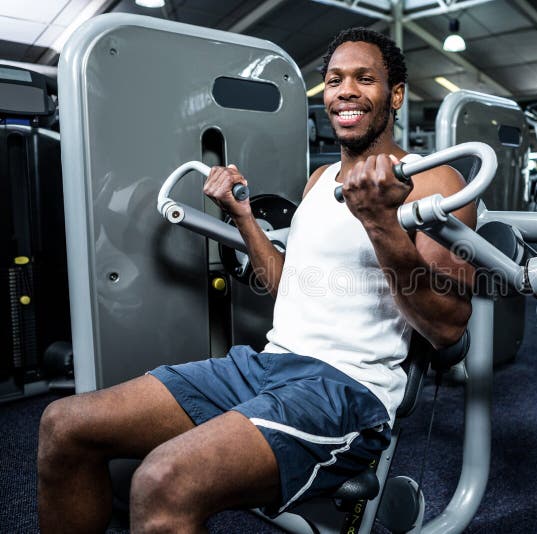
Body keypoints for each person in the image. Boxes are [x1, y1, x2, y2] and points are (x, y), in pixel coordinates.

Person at [37, 27, 476, 532]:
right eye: (334, 80)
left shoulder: (436, 180)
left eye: (365, 78)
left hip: (348, 391)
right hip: (267, 366)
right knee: (65, 426)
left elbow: (447, 327)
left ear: (395, 94)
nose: (346, 91)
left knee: (162, 481)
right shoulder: (319, 182)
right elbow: (287, 287)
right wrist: (244, 218)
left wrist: (379, 223)